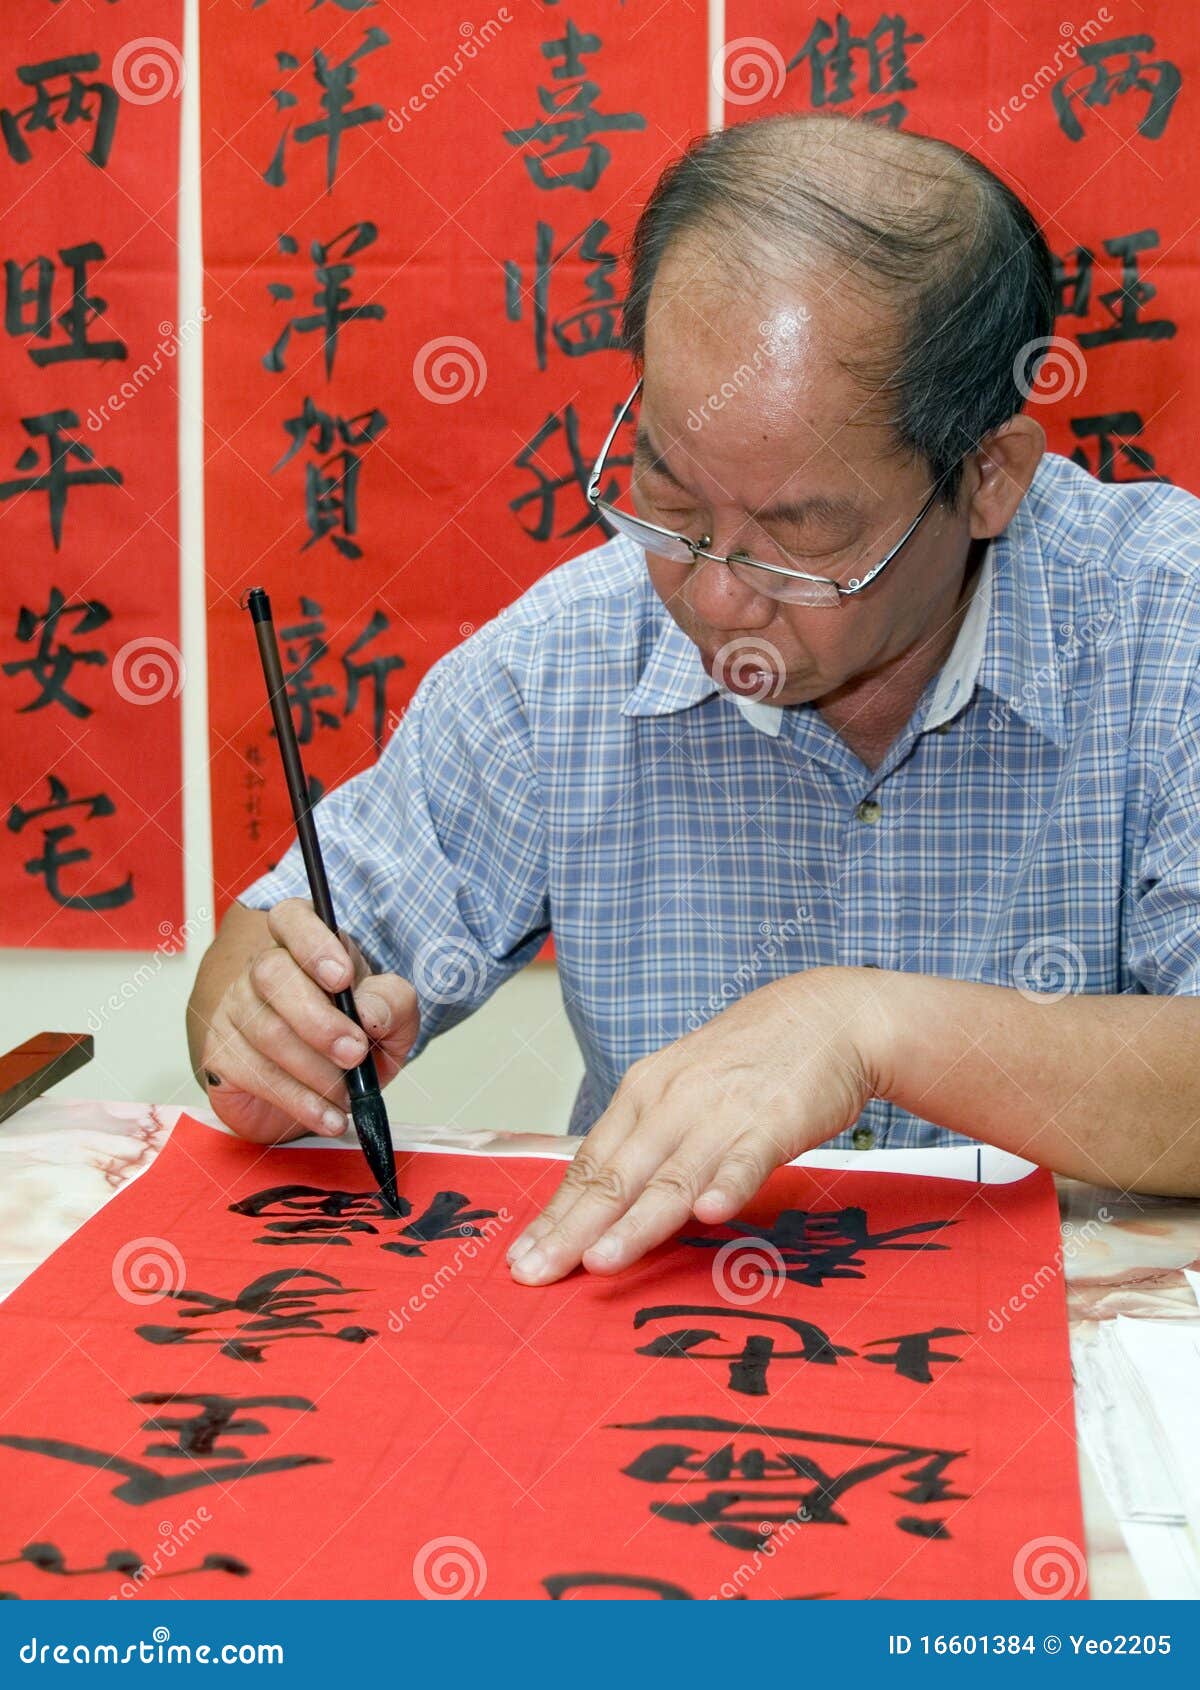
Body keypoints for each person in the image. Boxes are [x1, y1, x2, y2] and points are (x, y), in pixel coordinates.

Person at [188, 114, 1200, 1290]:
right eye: (670, 492)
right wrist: (263, 1023)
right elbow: (278, 941)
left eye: (798, 537)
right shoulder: (570, 654)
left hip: (1068, 1390)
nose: (715, 595)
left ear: (989, 477)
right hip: (665, 1369)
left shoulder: (1162, 627)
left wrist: (870, 1031)